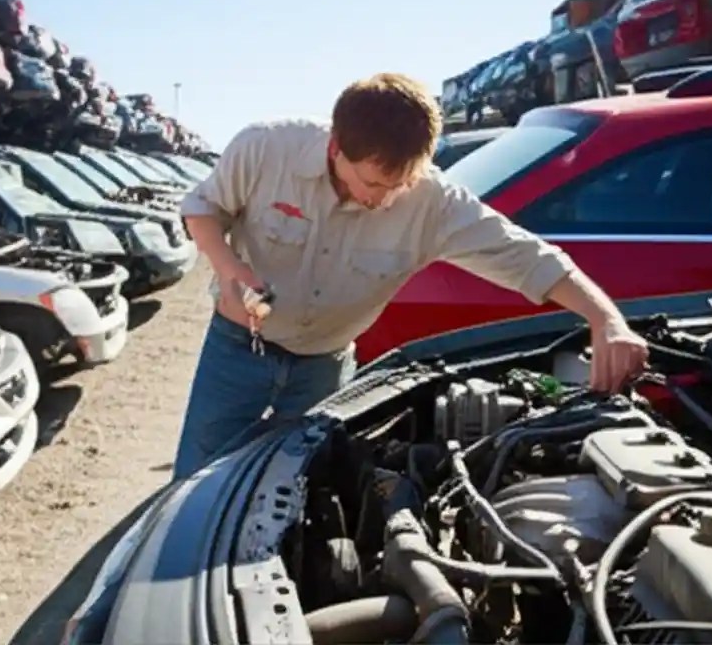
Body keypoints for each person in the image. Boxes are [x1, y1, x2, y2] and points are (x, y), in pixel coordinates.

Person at [171, 72, 648, 481]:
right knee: (196, 481)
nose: (383, 200)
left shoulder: (432, 203)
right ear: (336, 147)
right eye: (373, 183)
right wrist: (229, 268)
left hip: (324, 366)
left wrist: (605, 321)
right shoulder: (265, 149)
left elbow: (528, 257)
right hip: (237, 348)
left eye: (398, 186)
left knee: (296, 486)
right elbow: (202, 208)